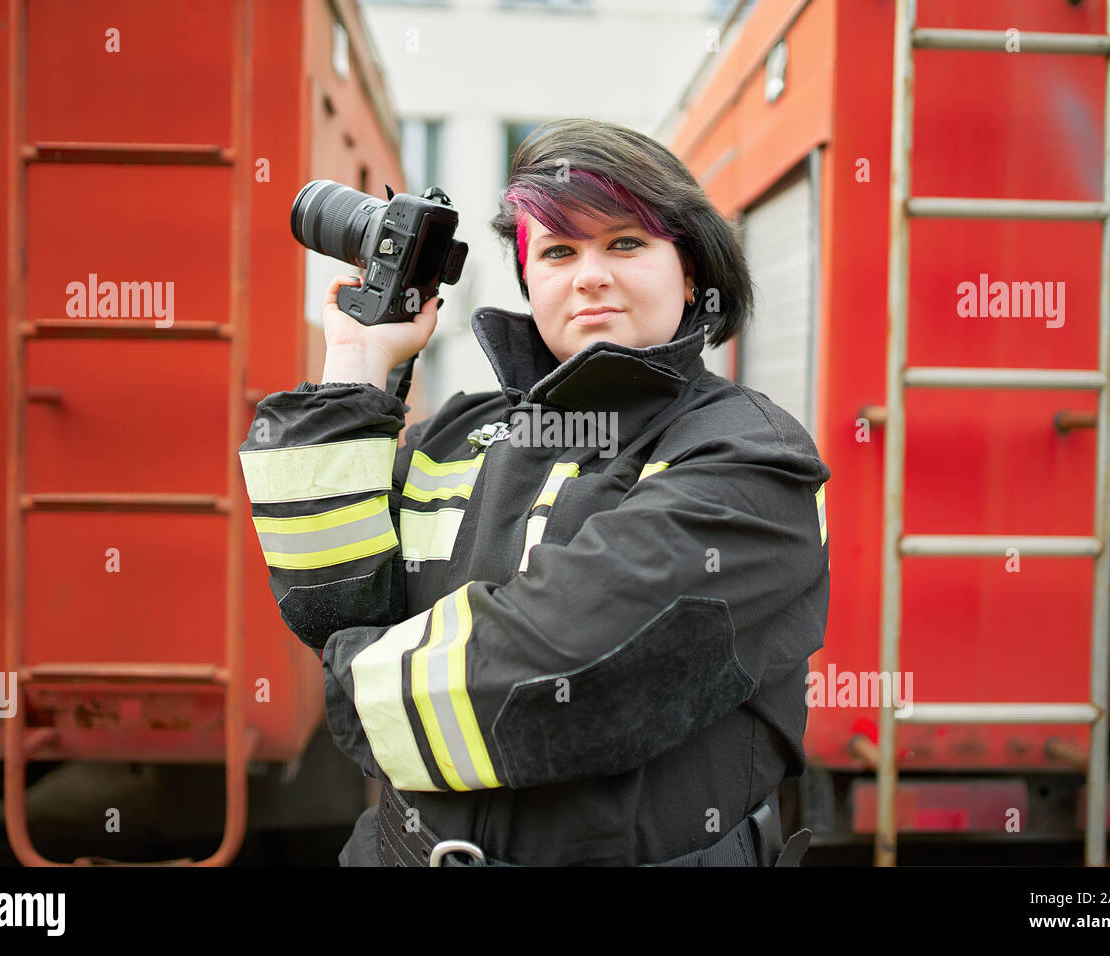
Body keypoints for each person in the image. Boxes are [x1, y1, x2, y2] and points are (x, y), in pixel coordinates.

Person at [238, 118, 831, 866]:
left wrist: (357, 684)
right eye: (557, 252)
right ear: (531, 285)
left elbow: (569, 665)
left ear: (689, 273)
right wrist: (355, 369)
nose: (589, 275)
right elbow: (330, 601)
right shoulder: (457, 433)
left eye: (625, 242)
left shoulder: (750, 456)